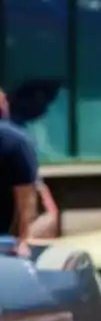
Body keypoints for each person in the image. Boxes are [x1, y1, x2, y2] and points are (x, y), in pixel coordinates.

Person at [0, 89, 38, 256]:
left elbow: (26, 197)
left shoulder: (13, 142)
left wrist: (25, 240)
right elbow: (27, 198)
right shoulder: (16, 141)